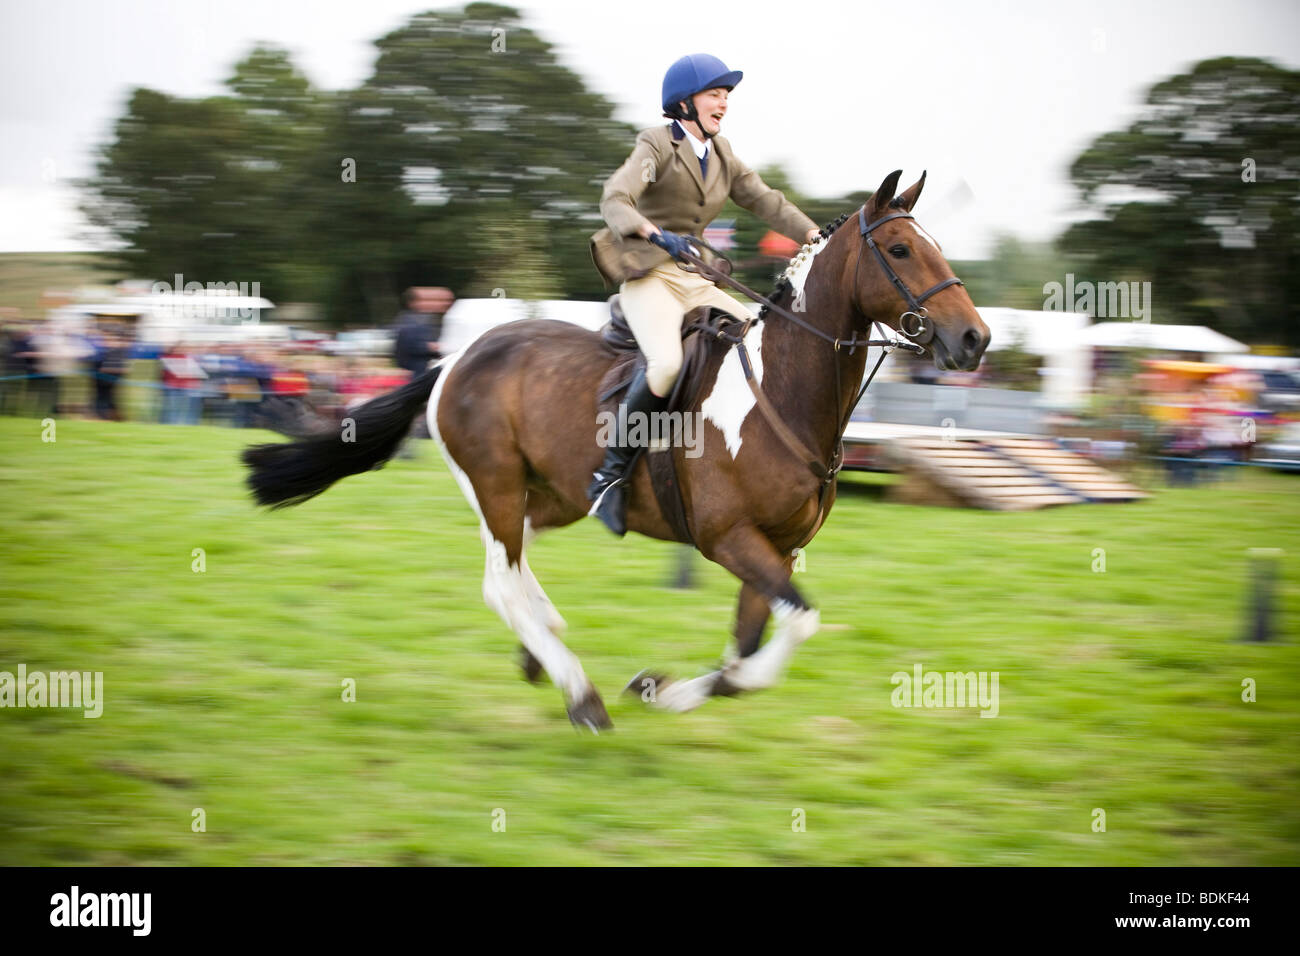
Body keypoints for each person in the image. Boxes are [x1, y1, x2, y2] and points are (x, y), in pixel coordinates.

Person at [586, 53, 822, 535]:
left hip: (696, 277)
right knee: (667, 365)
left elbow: (766, 201)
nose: (724, 103)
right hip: (650, 274)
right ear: (685, 103)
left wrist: (819, 237)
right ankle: (609, 476)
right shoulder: (657, 143)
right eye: (716, 93)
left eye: (727, 95)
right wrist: (654, 234)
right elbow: (615, 199)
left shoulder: (723, 155)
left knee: (756, 345)